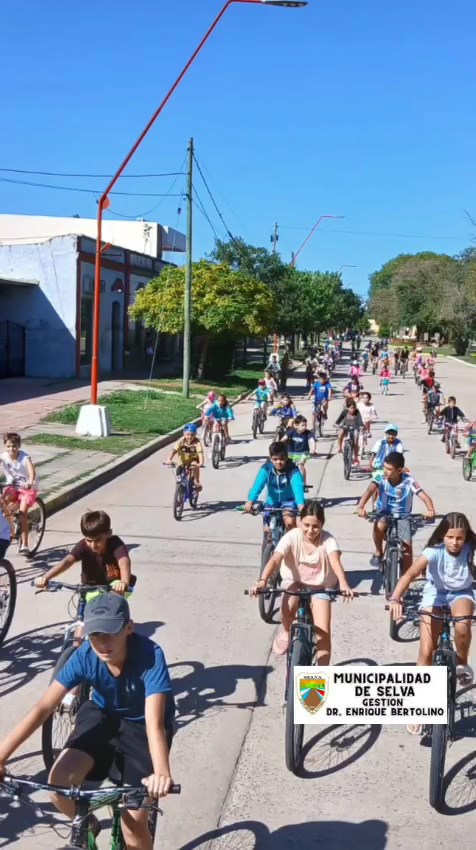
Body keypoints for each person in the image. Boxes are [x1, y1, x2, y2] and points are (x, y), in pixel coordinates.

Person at [0, 595, 175, 850]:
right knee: (58, 785)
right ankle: (87, 824)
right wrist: (2, 756)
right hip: (101, 715)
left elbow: (154, 723)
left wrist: (161, 772)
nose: (102, 643)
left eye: (110, 633)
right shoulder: (84, 655)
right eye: (94, 635)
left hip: (141, 726)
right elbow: (43, 708)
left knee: (133, 826)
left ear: (129, 628)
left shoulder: (151, 655)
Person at [389, 512, 475, 732]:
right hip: (434, 594)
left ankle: (462, 661)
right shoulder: (433, 552)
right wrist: (396, 598)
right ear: (442, 536)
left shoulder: (470, 551)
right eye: (450, 537)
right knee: (426, 652)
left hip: (461, 593)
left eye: (460, 538)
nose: (455, 542)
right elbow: (409, 575)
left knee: (463, 625)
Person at [249, 500, 353, 658]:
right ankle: (285, 631)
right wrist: (263, 580)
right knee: (288, 605)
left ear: (322, 525)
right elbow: (275, 559)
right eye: (306, 525)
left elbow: (335, 562)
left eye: (316, 526)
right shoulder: (291, 537)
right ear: (300, 522)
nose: (311, 530)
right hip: (295, 582)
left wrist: (344, 584)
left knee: (323, 633)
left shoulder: (328, 540)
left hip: (320, 587)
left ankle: (320, 679)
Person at [357, 451, 435, 571]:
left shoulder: (409, 481)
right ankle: (378, 551)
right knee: (379, 526)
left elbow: (423, 496)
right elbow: (369, 490)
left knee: (407, 548)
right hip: (384, 512)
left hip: (403, 516)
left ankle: (407, 576)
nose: (385, 471)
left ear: (399, 470)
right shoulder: (380, 477)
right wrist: (361, 507)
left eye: (389, 469)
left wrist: (430, 510)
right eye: (384, 467)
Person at [35, 510, 132, 595]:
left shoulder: (115, 543)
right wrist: (45, 577)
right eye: (89, 540)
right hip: (89, 588)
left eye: (98, 540)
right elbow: (66, 561)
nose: (93, 545)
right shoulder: (82, 546)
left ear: (109, 533)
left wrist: (124, 582)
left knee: (115, 612)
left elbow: (124, 561)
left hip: (114, 588)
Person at [244, 441, 305, 532]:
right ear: (270, 458)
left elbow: (298, 487)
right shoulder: (266, 469)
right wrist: (250, 500)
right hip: (271, 502)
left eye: (282, 459)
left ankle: (291, 543)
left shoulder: (293, 470)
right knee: (267, 529)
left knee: (290, 523)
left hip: (288, 502)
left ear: (287, 457)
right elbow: (257, 486)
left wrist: (301, 504)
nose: (278, 462)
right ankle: (267, 543)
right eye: (275, 459)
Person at [1, 432, 38, 556]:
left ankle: (25, 545)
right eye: (9, 446)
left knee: (22, 514)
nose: (12, 449)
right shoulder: (4, 456)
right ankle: (9, 525)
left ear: (19, 446)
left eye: (15, 446)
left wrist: (30, 481)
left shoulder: (24, 457)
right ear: (5, 446)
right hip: (12, 485)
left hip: (27, 487)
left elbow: (31, 470)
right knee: (3, 502)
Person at [166, 423, 204, 491]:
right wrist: (169, 459)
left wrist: (200, 463)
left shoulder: (197, 442)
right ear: (184, 434)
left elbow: (200, 453)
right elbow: (174, 450)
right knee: (179, 472)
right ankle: (178, 490)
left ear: (195, 435)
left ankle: (197, 482)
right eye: (188, 434)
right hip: (182, 461)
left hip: (193, 459)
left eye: (192, 435)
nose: (190, 437)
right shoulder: (181, 441)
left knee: (195, 465)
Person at [282, 414, 317, 484]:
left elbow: (312, 441)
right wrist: (280, 444)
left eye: (305, 425)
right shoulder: (292, 431)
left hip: (303, 453)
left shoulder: (308, 433)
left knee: (300, 465)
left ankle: (304, 483)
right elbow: (284, 438)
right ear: (296, 425)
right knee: (287, 467)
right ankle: (286, 480)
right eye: (302, 425)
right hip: (291, 453)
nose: (304, 427)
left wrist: (313, 449)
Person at [0, 495, 11, 559]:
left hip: (2, 538)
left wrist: (12, 532)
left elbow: (8, 515)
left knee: (1, 561)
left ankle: (10, 569)